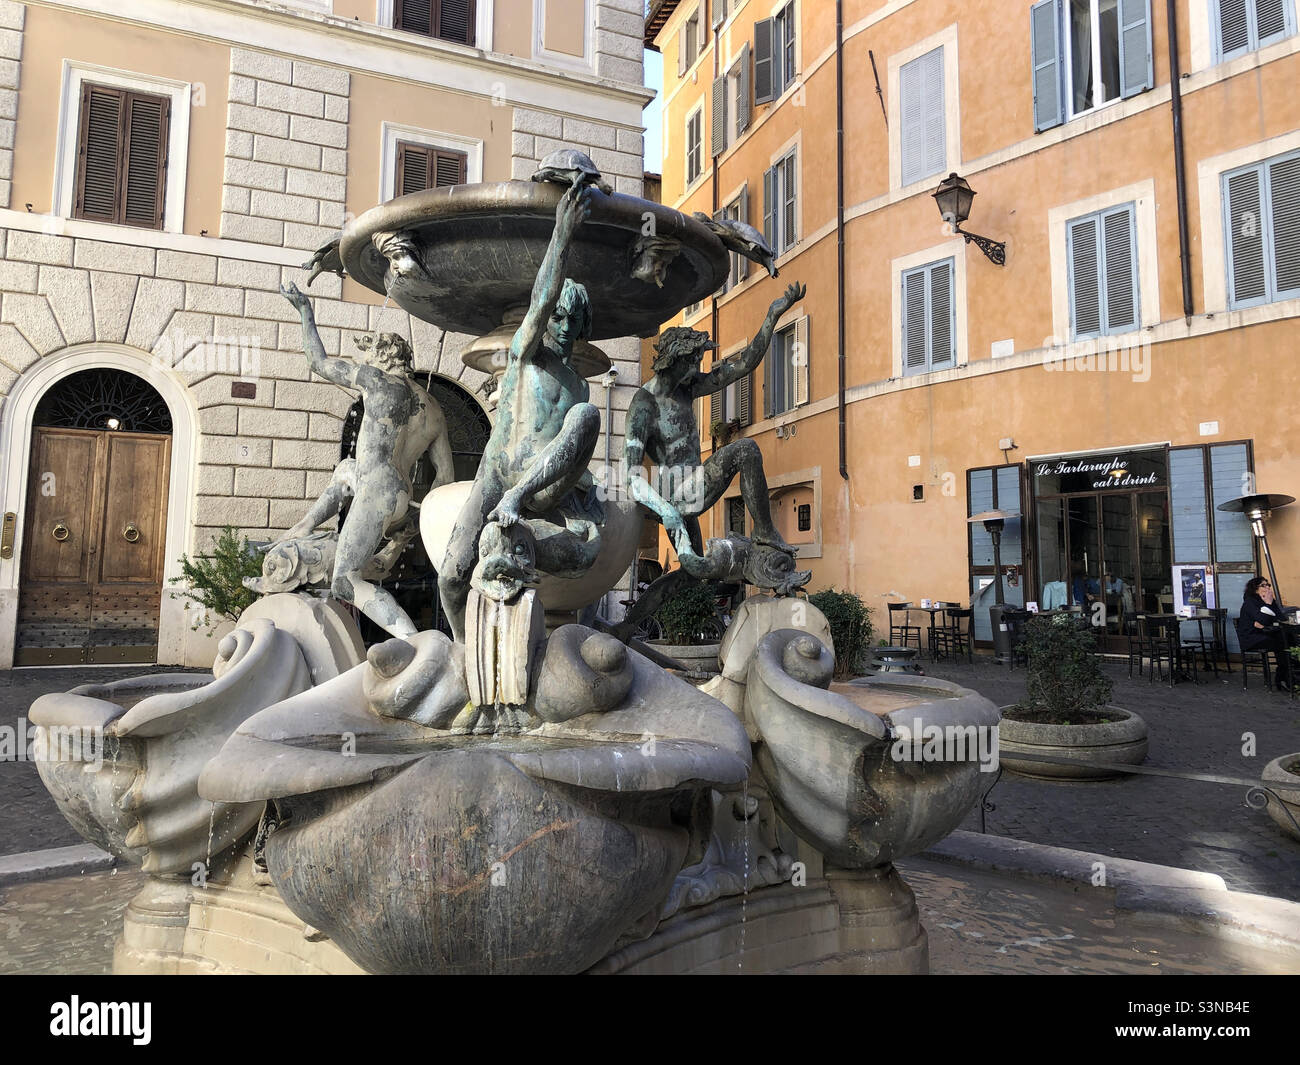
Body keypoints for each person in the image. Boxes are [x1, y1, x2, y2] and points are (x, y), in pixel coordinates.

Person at [1236, 577, 1296, 691]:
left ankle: (1290, 674)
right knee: (1282, 642)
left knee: (1289, 638)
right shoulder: (1250, 602)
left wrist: (1270, 604)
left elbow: (1280, 618)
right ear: (1255, 589)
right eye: (1263, 585)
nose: (1267, 587)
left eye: (1268, 585)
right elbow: (1263, 620)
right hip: (1251, 638)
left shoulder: (1269, 600)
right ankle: (1283, 678)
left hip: (1266, 634)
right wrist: (1267, 605)